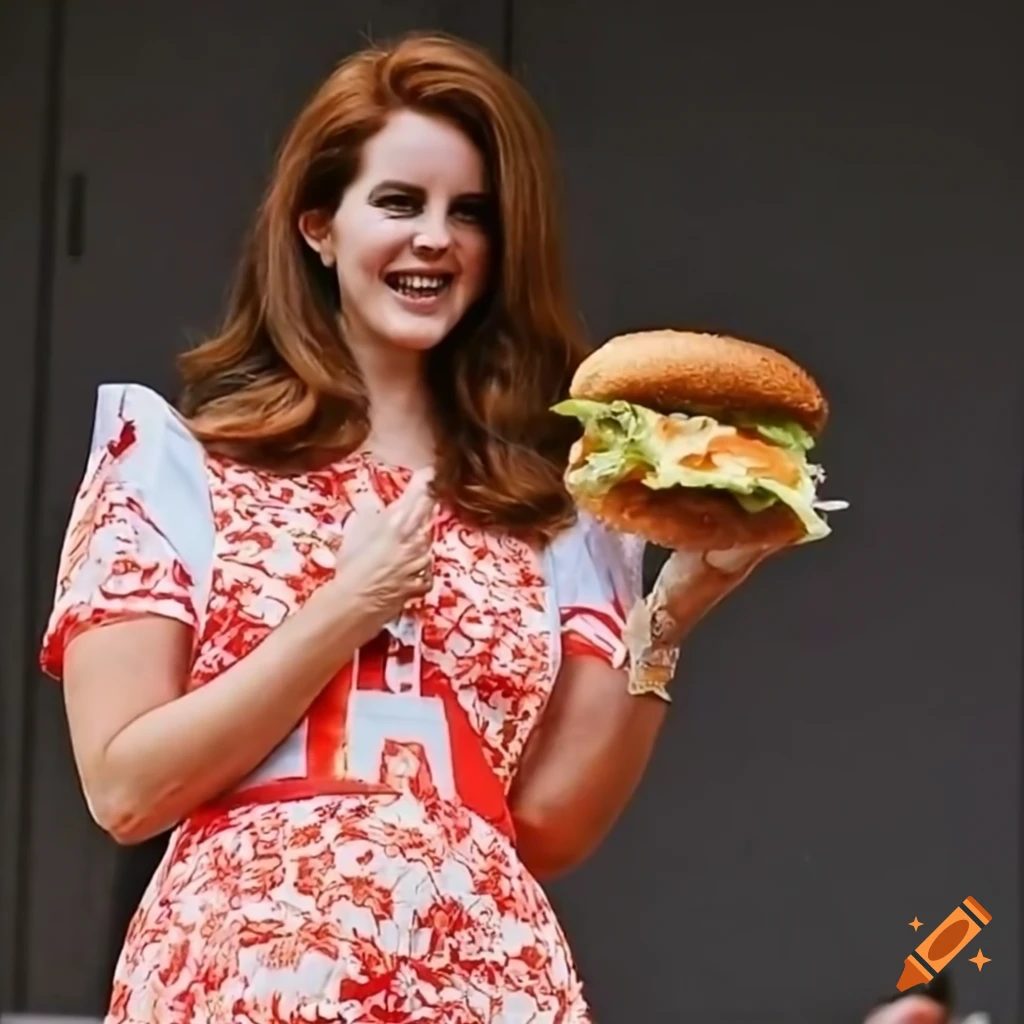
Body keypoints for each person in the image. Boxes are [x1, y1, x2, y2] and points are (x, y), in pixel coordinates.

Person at [40, 32, 785, 1023]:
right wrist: (348, 607)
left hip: (486, 979)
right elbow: (125, 786)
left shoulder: (549, 504)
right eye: (399, 202)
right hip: (247, 976)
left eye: (469, 212)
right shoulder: (182, 465)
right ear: (318, 225)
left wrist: (667, 620)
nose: (436, 237)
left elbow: (545, 827)